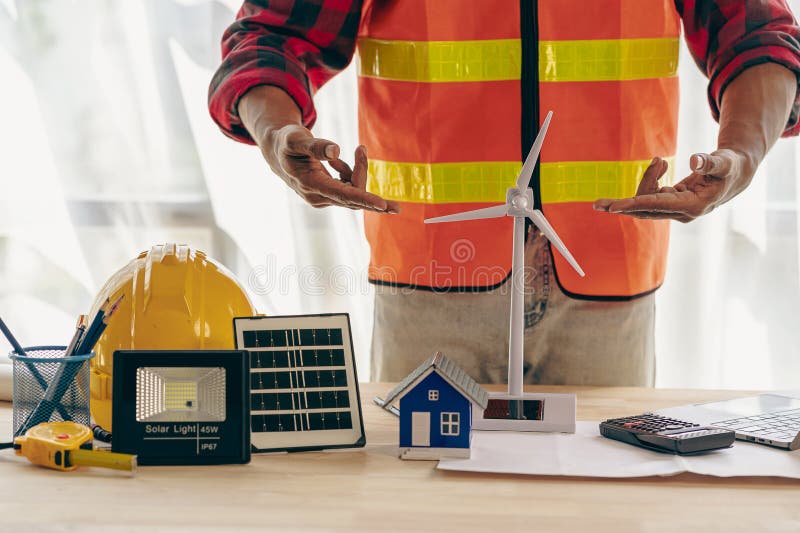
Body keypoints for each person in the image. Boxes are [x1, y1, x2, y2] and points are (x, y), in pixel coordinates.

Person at [209, 1, 800, 386]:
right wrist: (277, 132)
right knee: (421, 500)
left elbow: (760, 39)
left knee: (600, 508)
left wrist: (743, 155)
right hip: (433, 280)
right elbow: (271, 37)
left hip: (605, 279)